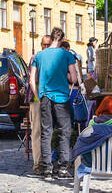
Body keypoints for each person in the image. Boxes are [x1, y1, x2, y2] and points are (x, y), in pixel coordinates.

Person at [30, 27, 79, 178]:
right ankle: (63, 167)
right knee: (65, 131)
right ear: (62, 40)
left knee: (46, 132)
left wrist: (38, 95)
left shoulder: (39, 55)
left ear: (51, 39)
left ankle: (47, 168)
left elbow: (32, 80)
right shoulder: (67, 55)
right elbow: (74, 77)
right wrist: (66, 79)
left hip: (45, 97)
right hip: (62, 97)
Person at [27, 35, 52, 172]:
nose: (46, 48)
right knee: (37, 131)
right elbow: (32, 81)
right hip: (38, 100)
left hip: (50, 99)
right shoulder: (35, 58)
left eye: (48, 45)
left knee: (47, 131)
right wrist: (39, 97)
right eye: (44, 45)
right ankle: (38, 163)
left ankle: (47, 161)